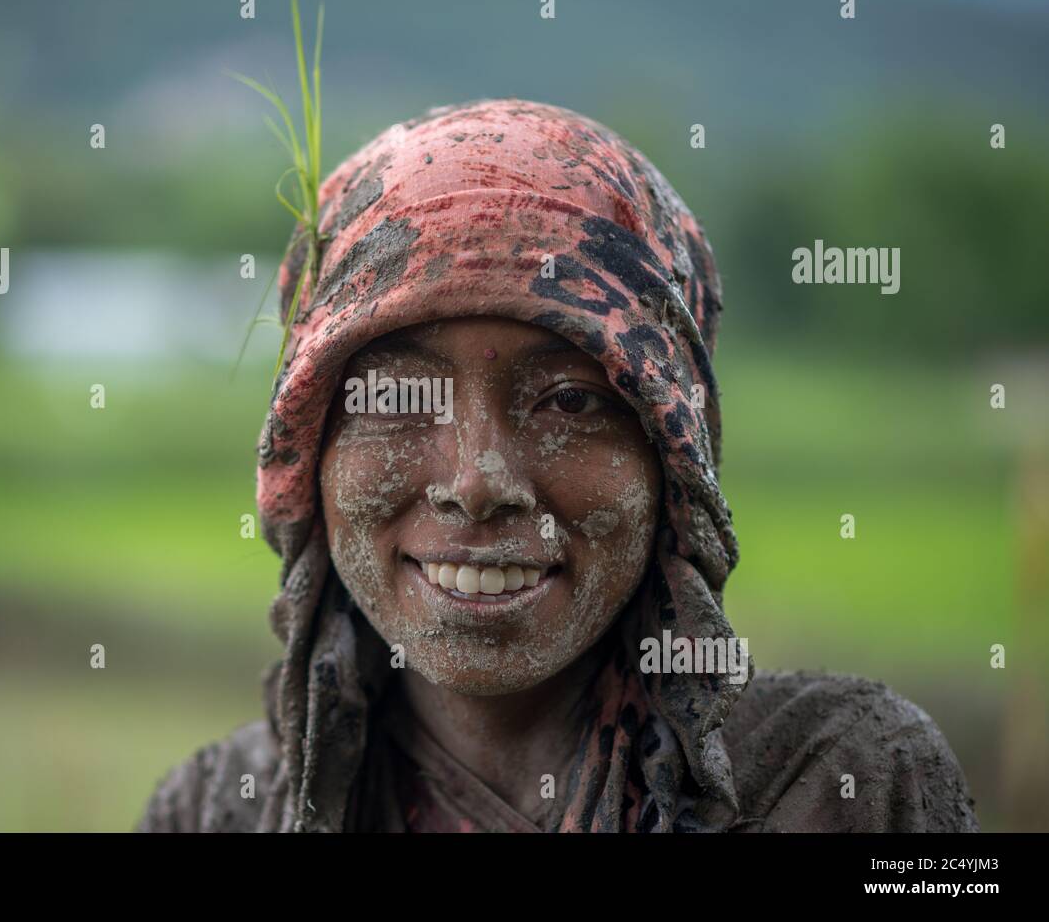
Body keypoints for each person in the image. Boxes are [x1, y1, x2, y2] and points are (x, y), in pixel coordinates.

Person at [138, 98, 979, 832]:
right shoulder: (214, 813)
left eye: (571, 402)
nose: (476, 483)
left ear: (675, 464)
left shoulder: (841, 786)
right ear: (306, 453)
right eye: (396, 401)